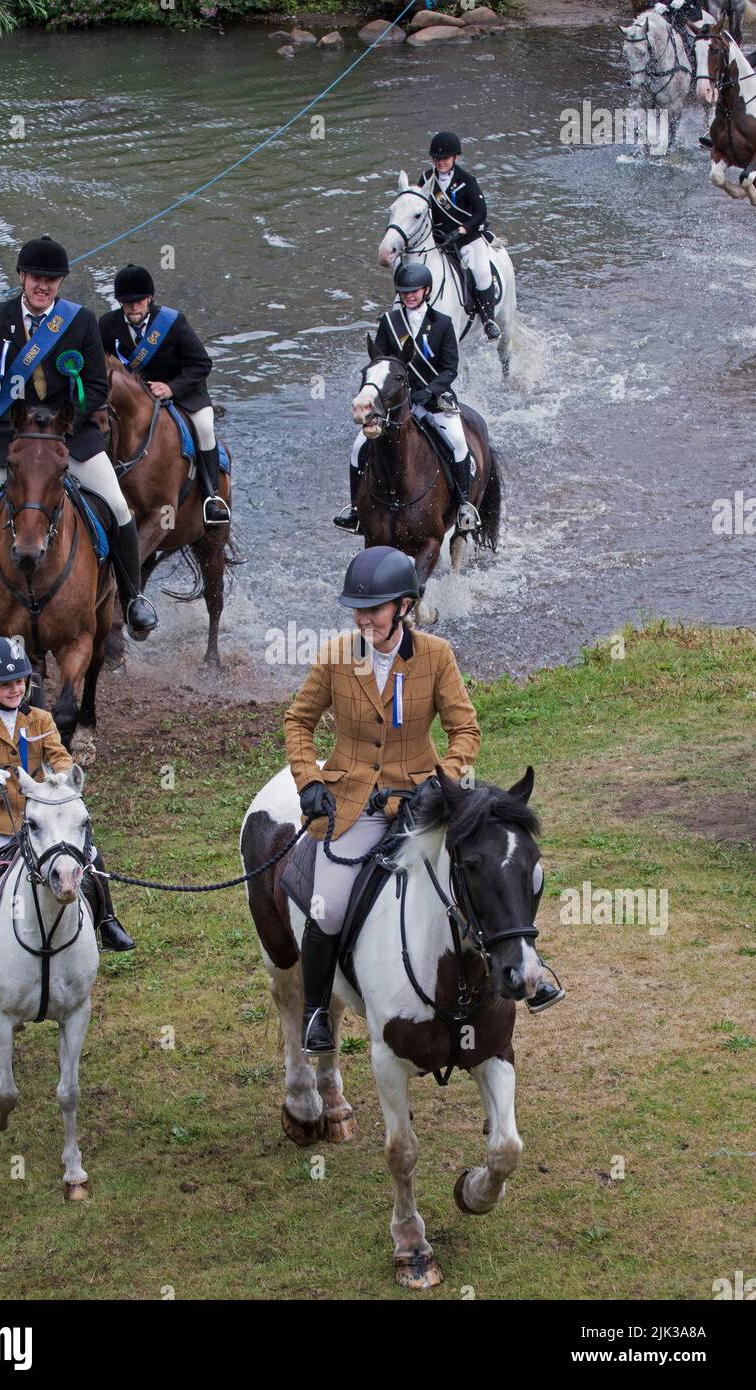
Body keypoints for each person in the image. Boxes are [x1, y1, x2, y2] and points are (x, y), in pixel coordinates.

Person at [283, 547, 482, 1053]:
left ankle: (519, 972)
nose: (363, 618)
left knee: (483, 872)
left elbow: (465, 729)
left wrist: (443, 780)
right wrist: (309, 780)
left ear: (405, 607)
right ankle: (316, 1015)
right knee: (326, 908)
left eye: (373, 608)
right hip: (355, 804)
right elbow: (297, 722)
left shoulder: (436, 656)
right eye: (357, 608)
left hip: (422, 801)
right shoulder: (335, 656)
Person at [0, 235, 157, 641]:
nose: (43, 286)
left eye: (52, 279)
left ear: (61, 283)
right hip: (9, 434)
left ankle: (133, 597)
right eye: (37, 277)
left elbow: (97, 386)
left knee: (119, 506)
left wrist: (64, 421)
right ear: (22, 276)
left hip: (69, 436)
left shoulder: (81, 321)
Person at [0, 637, 134, 959]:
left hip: (44, 810)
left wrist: (64, 775)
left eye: (20, 682)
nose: (15, 689)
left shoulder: (41, 718)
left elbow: (59, 753)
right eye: (5, 684)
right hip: (2, 813)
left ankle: (108, 920)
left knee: (91, 853)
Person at [334, 262, 479, 536]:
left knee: (459, 444)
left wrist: (429, 391)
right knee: (357, 448)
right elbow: (381, 361)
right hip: (396, 403)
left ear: (426, 291)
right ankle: (355, 510)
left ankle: (463, 508)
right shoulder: (390, 323)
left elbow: (450, 368)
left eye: (414, 291)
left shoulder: (443, 324)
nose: (409, 295)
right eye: (404, 291)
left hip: (433, 399)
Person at [99, 264, 230, 525]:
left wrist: (171, 387)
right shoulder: (106, 325)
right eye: (126, 303)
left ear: (149, 298)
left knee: (204, 427)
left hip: (183, 394)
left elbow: (202, 364)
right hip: (133, 402)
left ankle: (211, 497)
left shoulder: (173, 323)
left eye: (137, 302)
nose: (133, 308)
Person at [418, 130, 500, 340]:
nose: (440, 162)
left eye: (444, 158)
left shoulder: (466, 180)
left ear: (455, 157)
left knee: (481, 271)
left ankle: (488, 319)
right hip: (437, 241)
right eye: (436, 158)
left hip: (466, 239)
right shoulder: (427, 179)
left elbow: (481, 212)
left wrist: (461, 230)